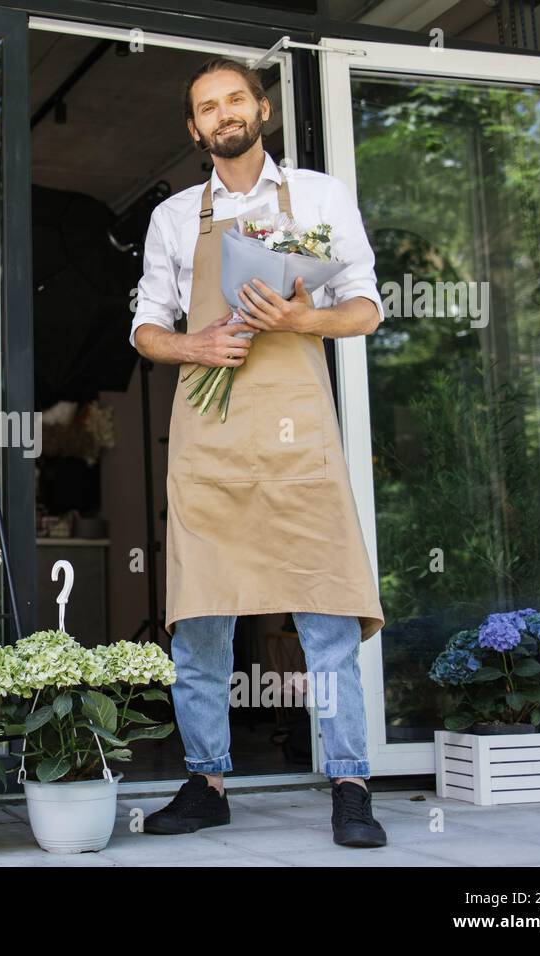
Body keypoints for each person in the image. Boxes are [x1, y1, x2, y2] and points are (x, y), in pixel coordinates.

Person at [130, 55, 387, 848]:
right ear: (194, 127)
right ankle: (205, 780)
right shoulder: (176, 215)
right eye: (207, 106)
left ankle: (349, 783)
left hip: (296, 431)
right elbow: (144, 330)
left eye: (235, 98)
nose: (223, 114)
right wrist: (195, 343)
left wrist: (296, 321)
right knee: (201, 617)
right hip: (209, 438)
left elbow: (367, 307)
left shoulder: (317, 196)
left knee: (325, 608)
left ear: (262, 109)